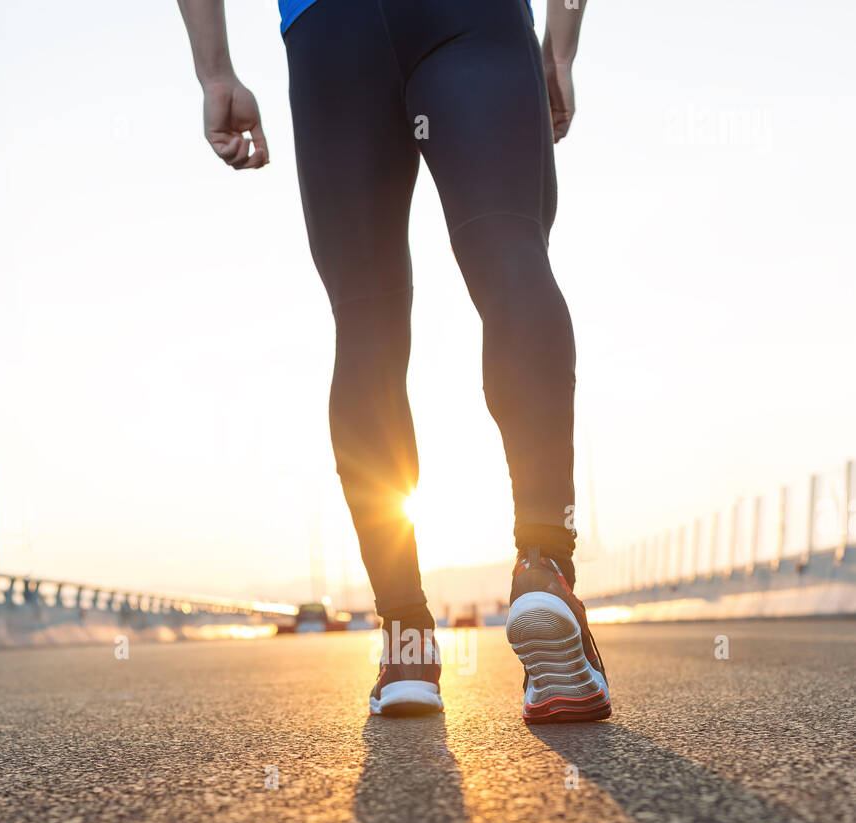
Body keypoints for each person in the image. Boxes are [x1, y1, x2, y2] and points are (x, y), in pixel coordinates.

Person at [177, 0, 611, 723]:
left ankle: (406, 636)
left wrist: (214, 70)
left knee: (365, 323)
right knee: (510, 255)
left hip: (328, 30)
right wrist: (559, 46)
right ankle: (544, 564)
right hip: (471, 19)